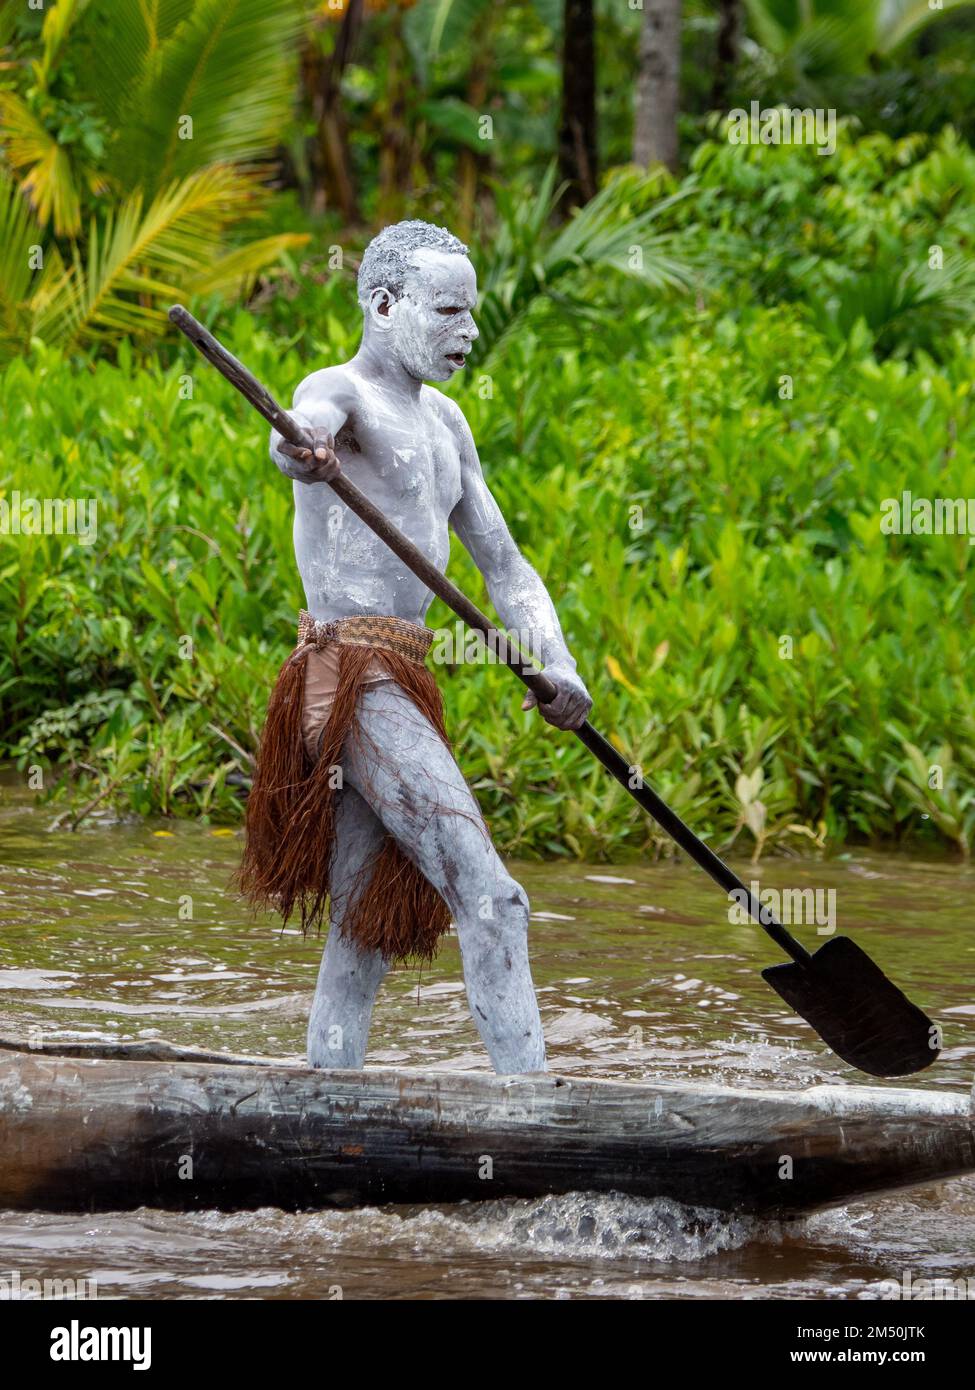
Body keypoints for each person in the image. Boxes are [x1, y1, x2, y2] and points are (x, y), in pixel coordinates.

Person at [238, 220, 592, 1075]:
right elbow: (295, 434)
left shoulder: (448, 424)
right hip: (349, 675)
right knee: (495, 899)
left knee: (364, 927)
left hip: (405, 674)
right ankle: (532, 1111)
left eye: (471, 314)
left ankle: (328, 1095)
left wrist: (559, 663)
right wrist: (304, 448)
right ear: (384, 304)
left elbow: (504, 567)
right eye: (445, 312)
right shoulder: (340, 391)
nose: (466, 334)